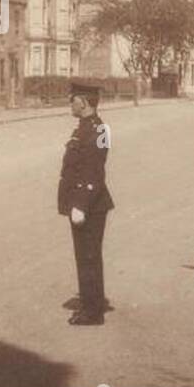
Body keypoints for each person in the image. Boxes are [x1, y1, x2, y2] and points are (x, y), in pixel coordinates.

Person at [57, 80, 114, 326]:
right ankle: (92, 301)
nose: (70, 103)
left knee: (88, 256)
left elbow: (94, 172)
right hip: (84, 202)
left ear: (85, 102)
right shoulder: (83, 128)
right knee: (86, 256)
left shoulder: (99, 130)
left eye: (74, 99)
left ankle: (93, 312)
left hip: (90, 204)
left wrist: (80, 203)